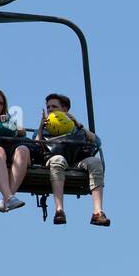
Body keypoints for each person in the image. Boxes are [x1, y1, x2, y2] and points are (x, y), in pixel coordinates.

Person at [39, 93, 109, 226]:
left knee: (95, 162)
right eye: (48, 107)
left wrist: (78, 124)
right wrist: (41, 127)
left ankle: (97, 212)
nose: (50, 109)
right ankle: (59, 210)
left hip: (75, 161)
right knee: (58, 160)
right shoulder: (45, 128)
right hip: (54, 159)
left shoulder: (75, 128)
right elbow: (34, 146)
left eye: (54, 106)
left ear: (64, 110)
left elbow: (98, 142)